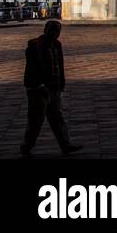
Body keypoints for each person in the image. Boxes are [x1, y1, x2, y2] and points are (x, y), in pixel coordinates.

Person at [21, 20, 81, 157]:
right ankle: (26, 147)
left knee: (57, 119)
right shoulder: (35, 45)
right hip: (39, 90)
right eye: (53, 30)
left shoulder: (57, 45)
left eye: (58, 31)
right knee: (36, 121)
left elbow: (60, 65)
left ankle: (65, 145)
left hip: (54, 88)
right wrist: (39, 85)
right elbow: (31, 69)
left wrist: (61, 83)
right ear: (45, 30)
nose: (56, 33)